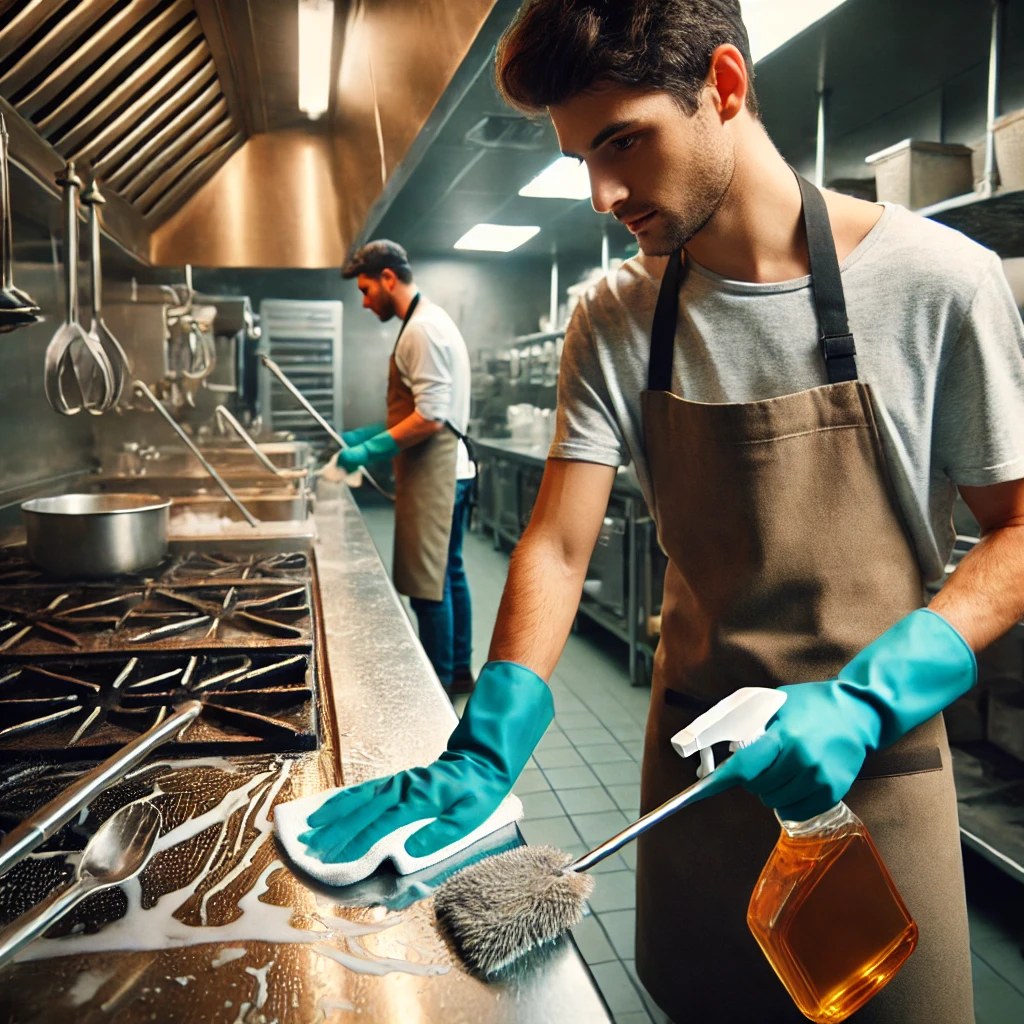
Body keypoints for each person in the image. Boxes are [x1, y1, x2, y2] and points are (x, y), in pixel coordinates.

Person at [302, 3, 1024, 1020]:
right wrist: (488, 739)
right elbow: (555, 542)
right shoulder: (614, 317)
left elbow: (1018, 529)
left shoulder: (937, 283)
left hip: (875, 768)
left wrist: (866, 698)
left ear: (723, 86)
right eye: (578, 158)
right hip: (699, 776)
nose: (600, 194)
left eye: (621, 142)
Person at [337, 240, 476, 695]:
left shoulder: (421, 329)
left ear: (388, 279)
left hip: (435, 471)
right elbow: (423, 406)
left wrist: (371, 449)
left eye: (366, 289)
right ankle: (456, 671)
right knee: (448, 571)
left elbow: (432, 417)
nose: (364, 301)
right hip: (442, 468)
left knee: (426, 585)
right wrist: (373, 432)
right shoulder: (428, 321)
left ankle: (436, 686)